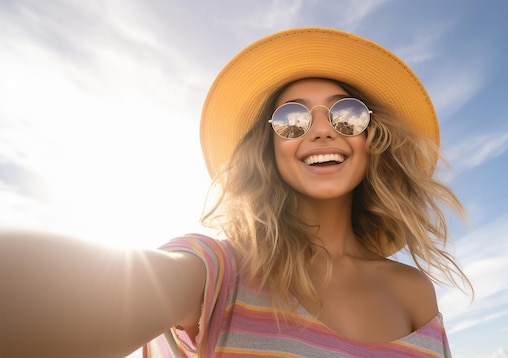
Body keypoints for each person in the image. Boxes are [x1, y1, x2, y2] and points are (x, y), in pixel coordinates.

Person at [0, 27, 471, 357]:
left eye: (346, 113)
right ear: (268, 149)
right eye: (293, 119)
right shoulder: (218, 273)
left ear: (372, 138)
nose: (322, 131)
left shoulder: (415, 294)